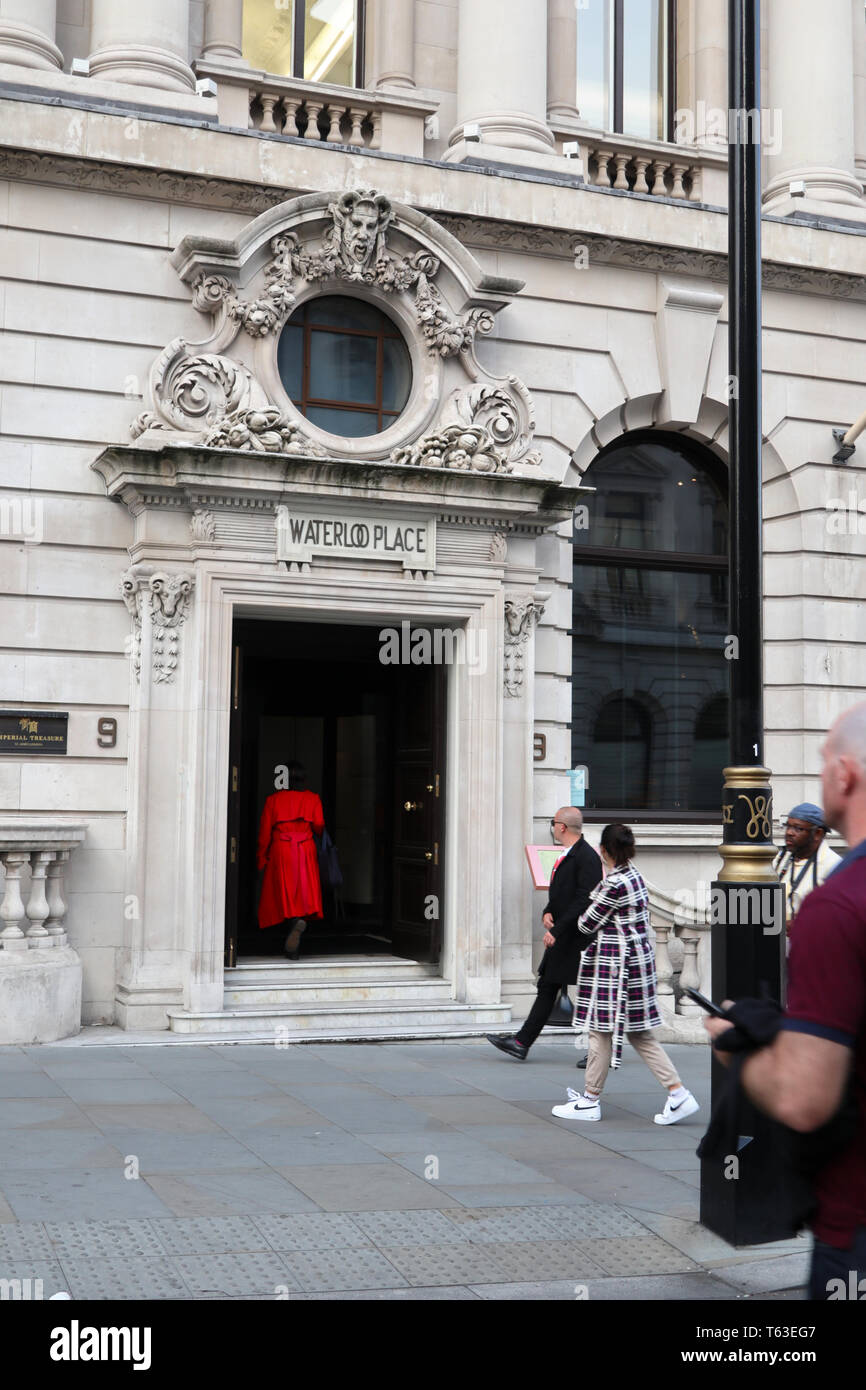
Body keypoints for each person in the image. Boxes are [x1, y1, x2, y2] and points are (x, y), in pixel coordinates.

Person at [704, 702, 866, 1301]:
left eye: (825, 760)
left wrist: (735, 1051)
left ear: (844, 776)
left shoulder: (841, 900)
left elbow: (803, 1097)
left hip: (854, 1226)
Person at [552, 822, 700, 1125]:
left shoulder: (615, 883)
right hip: (636, 964)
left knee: (599, 1030)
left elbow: (586, 924)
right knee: (637, 1033)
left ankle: (591, 1101)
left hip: (615, 967)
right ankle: (677, 1093)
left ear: (604, 850)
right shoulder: (634, 876)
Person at [486, 807, 602, 1060]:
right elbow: (564, 893)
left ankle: (599, 1051)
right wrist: (548, 910)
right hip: (565, 933)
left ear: (561, 827)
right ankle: (521, 1042)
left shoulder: (586, 857)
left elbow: (585, 899)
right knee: (548, 985)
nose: (552, 826)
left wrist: (557, 930)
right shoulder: (571, 854)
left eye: (554, 822)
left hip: (577, 937)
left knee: (593, 993)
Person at [256, 761, 324, 959]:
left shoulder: (273, 800)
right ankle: (296, 929)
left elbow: (264, 834)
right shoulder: (313, 799)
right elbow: (319, 826)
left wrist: (261, 857)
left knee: (283, 893)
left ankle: (293, 925)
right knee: (302, 892)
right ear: (304, 779)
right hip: (305, 848)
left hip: (282, 849)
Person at [772, 802, 841, 927]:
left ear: (818, 834)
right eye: (788, 826)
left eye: (798, 828)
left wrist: (803, 924)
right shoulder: (779, 859)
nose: (789, 833)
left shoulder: (834, 866)